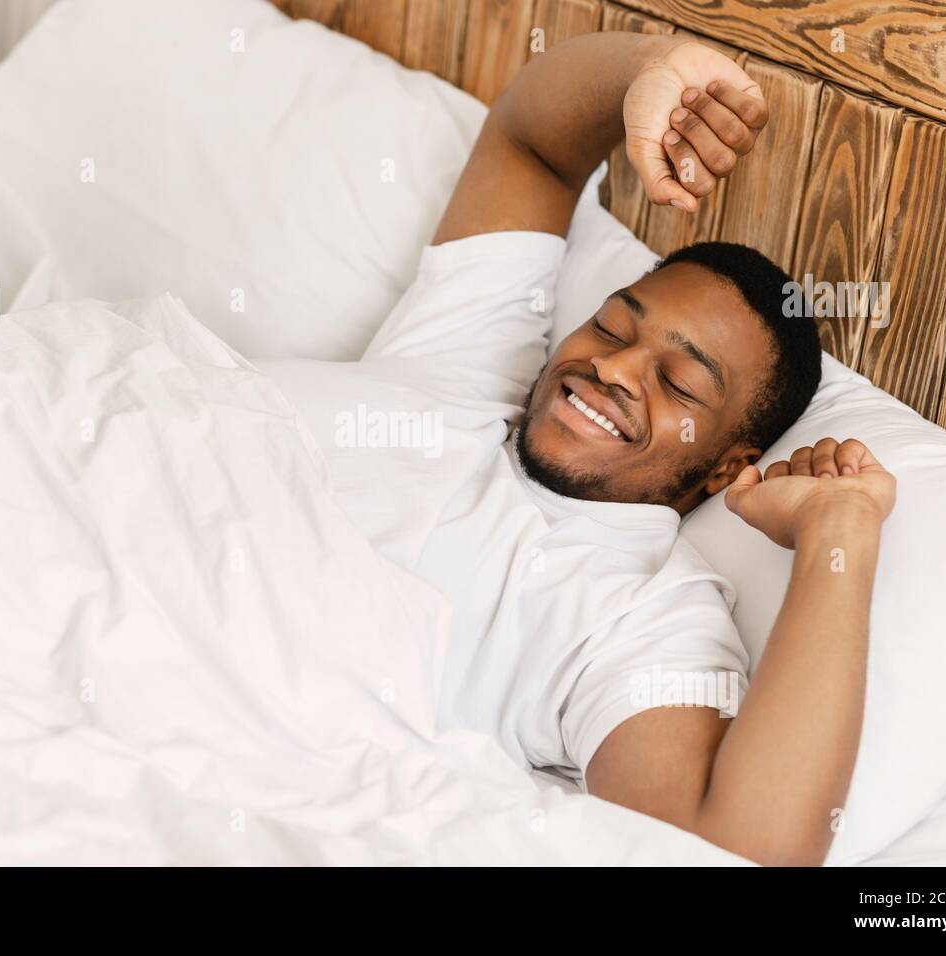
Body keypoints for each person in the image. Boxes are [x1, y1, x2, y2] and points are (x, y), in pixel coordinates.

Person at [261, 30, 895, 866]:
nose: (615, 368)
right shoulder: (467, 357)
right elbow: (533, 143)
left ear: (730, 467)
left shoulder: (636, 612)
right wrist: (650, 72)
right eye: (612, 325)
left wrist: (838, 538)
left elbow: (743, 848)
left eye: (680, 383)